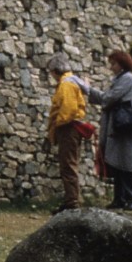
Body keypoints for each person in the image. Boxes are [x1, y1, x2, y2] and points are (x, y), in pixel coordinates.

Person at [86, 49, 132, 210]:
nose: (111, 67)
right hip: (118, 127)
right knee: (118, 164)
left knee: (126, 163)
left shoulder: (127, 78)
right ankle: (119, 198)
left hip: (123, 127)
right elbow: (108, 97)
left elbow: (110, 97)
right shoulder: (121, 78)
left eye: (113, 64)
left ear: (121, 64)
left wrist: (89, 90)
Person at [45, 52, 92, 213]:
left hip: (68, 128)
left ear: (55, 70)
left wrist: (58, 124)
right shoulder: (72, 82)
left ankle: (72, 201)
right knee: (69, 162)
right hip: (71, 127)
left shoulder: (66, 85)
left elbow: (68, 109)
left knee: (68, 164)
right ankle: (71, 199)